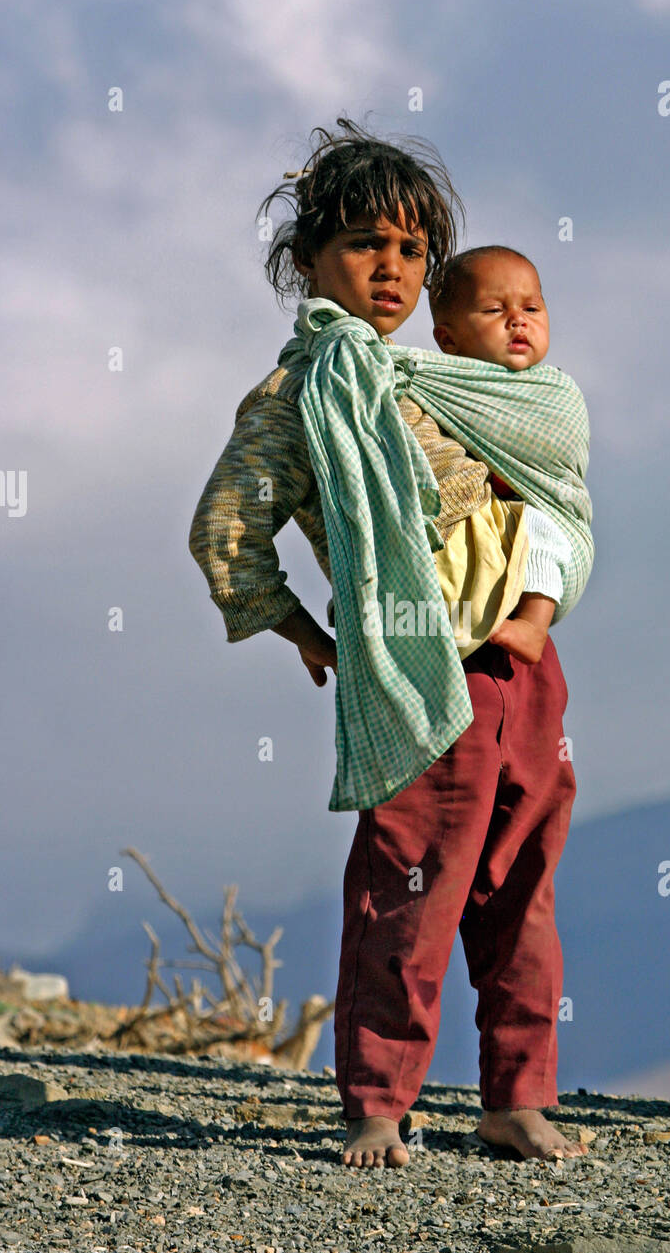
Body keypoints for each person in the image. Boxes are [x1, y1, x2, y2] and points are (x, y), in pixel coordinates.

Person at [188, 118, 588, 1168]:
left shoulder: (438, 378)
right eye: (368, 243)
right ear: (309, 255)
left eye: (413, 250)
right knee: (407, 886)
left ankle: (515, 1099)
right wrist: (304, 634)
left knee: (521, 889)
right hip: (416, 674)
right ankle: (376, 1104)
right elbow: (225, 529)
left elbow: (548, 480)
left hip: (525, 672)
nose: (393, 269)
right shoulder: (301, 395)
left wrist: (540, 597)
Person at [429, 244, 573, 667]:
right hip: (479, 530)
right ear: (448, 340)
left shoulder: (549, 388)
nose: (518, 320)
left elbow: (554, 453)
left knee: (545, 529)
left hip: (531, 508)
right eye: (494, 311)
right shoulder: (439, 388)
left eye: (532, 308)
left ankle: (533, 623)